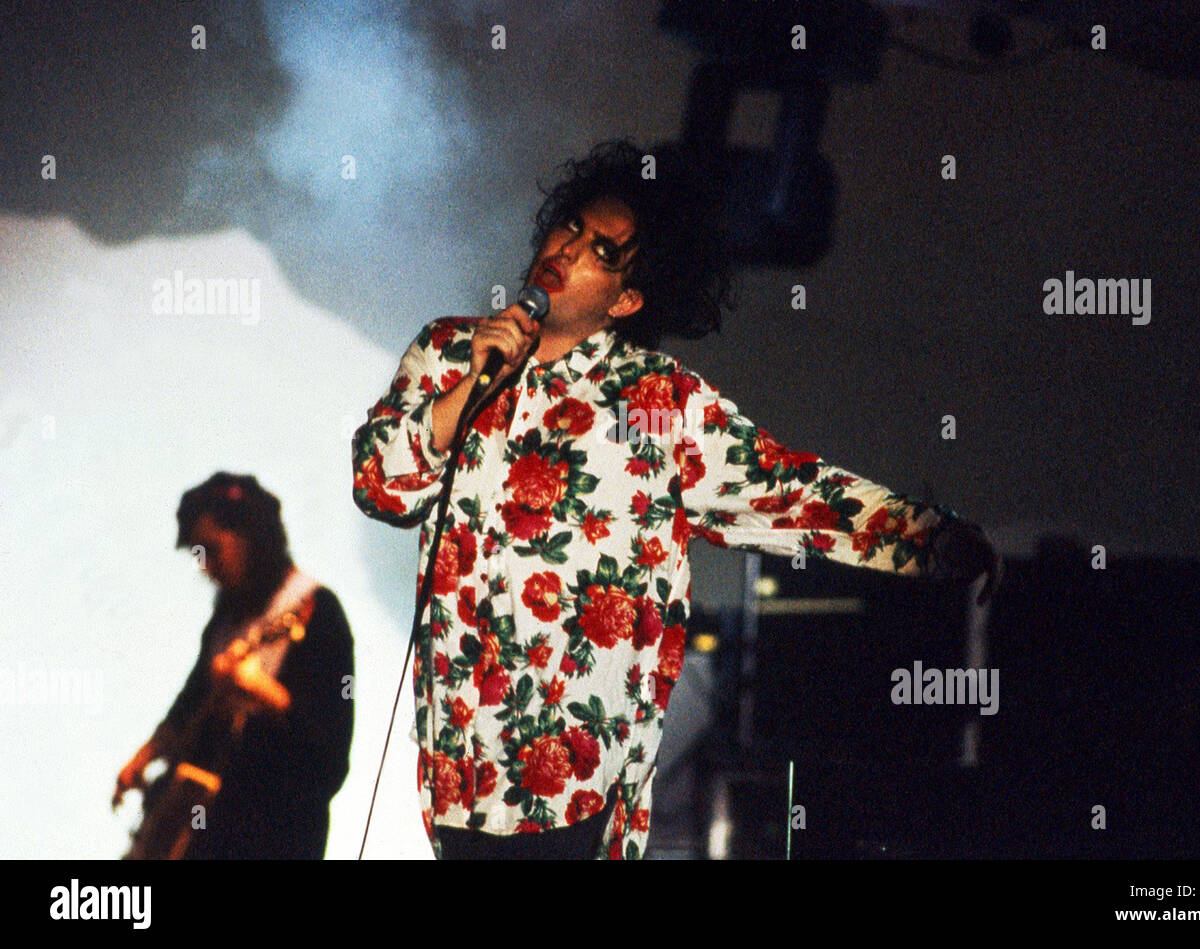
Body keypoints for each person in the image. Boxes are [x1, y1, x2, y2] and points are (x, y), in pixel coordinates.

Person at [351, 140, 999, 860]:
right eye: (568, 226)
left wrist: (928, 538)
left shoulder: (657, 403)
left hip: (572, 771)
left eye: (601, 250)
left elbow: (786, 492)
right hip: (461, 763)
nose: (566, 248)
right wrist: (470, 387)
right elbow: (381, 484)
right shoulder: (447, 352)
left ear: (625, 299)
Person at [113, 473, 355, 859]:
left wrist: (268, 695)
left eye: (211, 549)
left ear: (251, 536)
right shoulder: (227, 618)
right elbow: (192, 701)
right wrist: (144, 756)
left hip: (276, 840)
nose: (206, 568)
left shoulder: (319, 613)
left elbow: (331, 760)